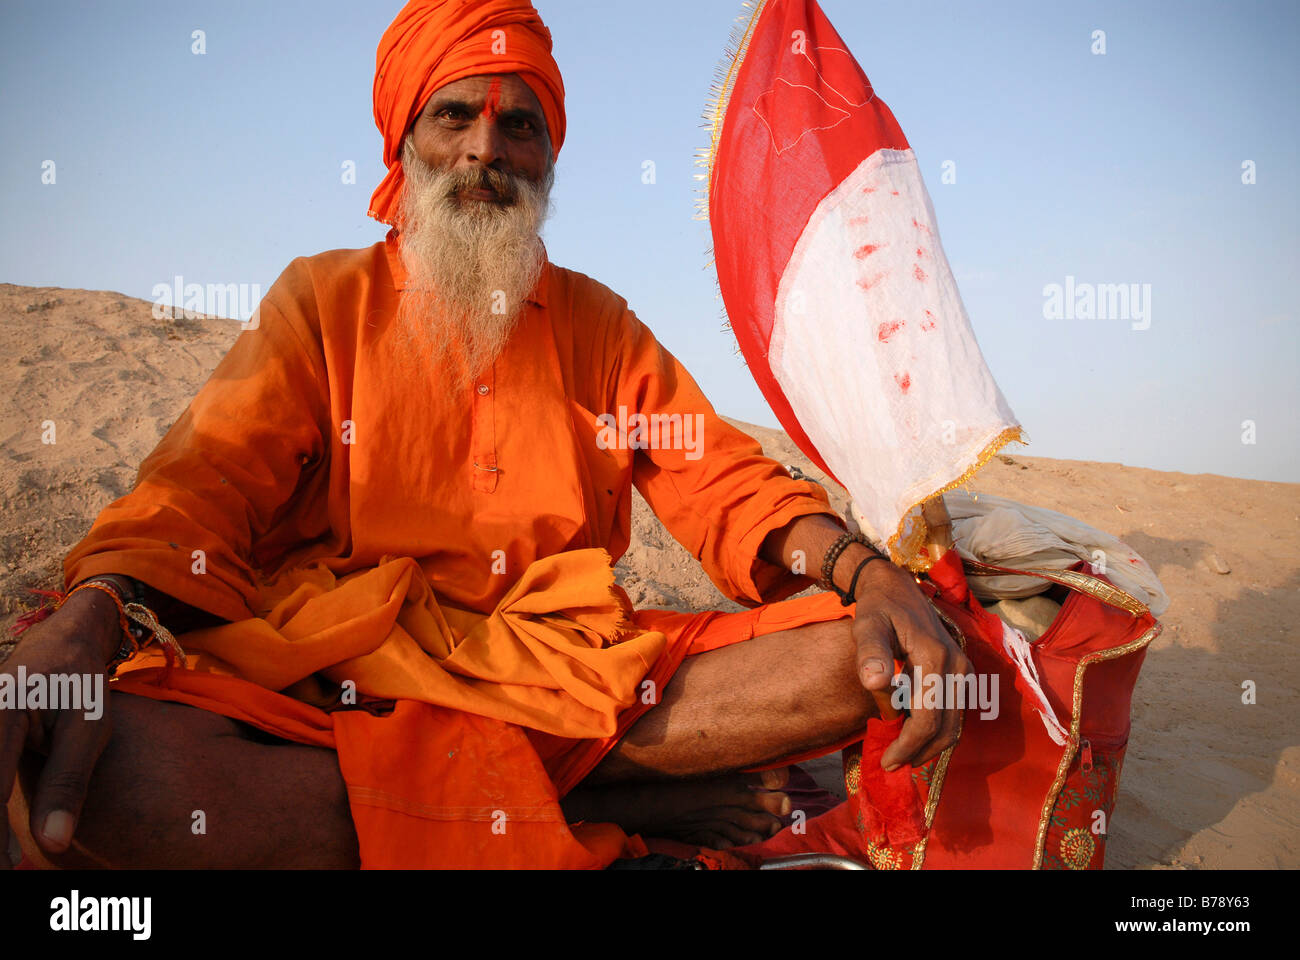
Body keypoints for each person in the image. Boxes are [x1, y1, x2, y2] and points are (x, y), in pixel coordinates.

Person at [2, 0, 970, 869]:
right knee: (113, 776)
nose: (484, 150)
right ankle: (586, 801)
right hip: (342, 687)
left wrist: (861, 571)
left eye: (518, 124)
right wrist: (94, 614)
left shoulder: (598, 324)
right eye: (454, 116)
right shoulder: (324, 302)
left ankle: (507, 800)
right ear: (405, 144)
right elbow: (206, 479)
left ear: (549, 157)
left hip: (572, 683)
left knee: (864, 654)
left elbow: (718, 477)